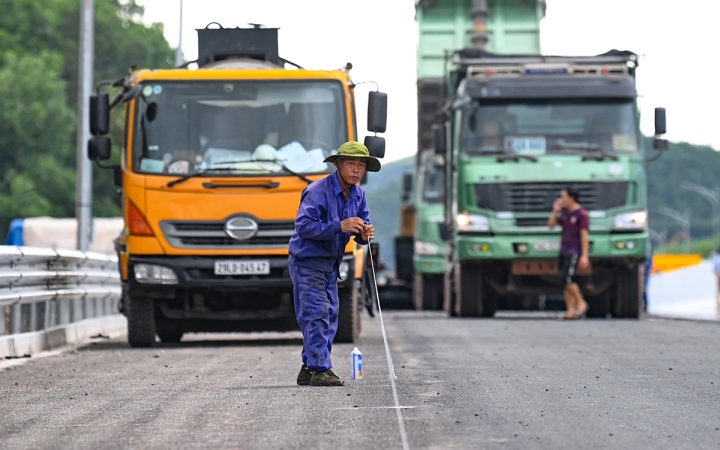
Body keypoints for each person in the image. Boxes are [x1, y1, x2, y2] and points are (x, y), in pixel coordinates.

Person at [288, 141, 380, 386]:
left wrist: (365, 232)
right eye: (351, 163)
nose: (357, 170)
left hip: (331, 263)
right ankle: (320, 368)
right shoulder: (317, 191)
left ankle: (310, 366)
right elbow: (304, 226)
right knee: (316, 312)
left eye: (361, 165)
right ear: (338, 164)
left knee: (330, 313)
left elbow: (361, 231)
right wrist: (339, 226)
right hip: (307, 261)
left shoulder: (359, 194)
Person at [547, 186, 590, 320]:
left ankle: (581, 302)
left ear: (571, 198)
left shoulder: (581, 214)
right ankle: (570, 310)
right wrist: (555, 211)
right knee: (564, 282)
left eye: (563, 197)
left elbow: (584, 235)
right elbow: (551, 225)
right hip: (564, 249)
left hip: (574, 250)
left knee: (569, 278)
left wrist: (584, 255)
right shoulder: (566, 213)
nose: (561, 199)